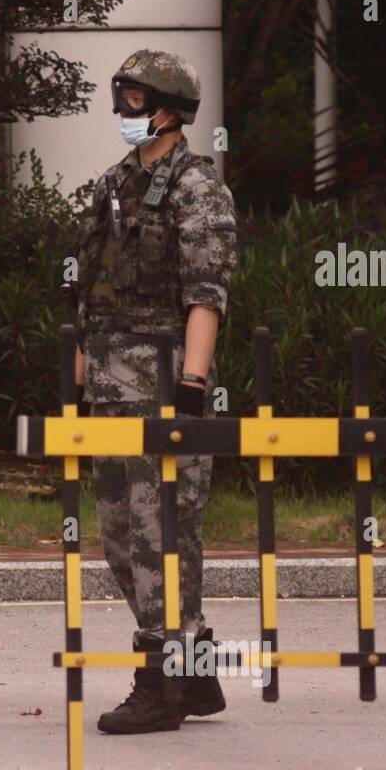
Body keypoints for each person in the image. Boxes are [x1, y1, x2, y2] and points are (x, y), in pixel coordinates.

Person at [69, 49, 237, 734]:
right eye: (121, 96)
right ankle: (194, 673)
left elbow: (207, 291)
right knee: (118, 537)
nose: (124, 111)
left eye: (136, 100)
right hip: (111, 386)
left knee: (161, 536)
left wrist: (193, 386)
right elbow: (90, 289)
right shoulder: (113, 184)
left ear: (170, 111)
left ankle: (162, 682)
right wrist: (82, 368)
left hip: (167, 385)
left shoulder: (198, 187)